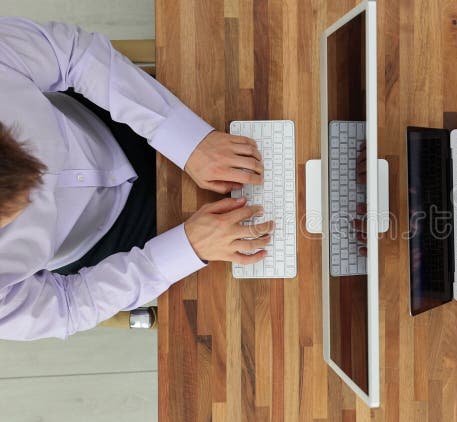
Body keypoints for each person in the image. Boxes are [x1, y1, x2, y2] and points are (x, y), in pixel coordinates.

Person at [0, 18, 273, 341]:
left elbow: (73, 55)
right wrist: (187, 248)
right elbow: (68, 306)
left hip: (121, 117)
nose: (42, 196)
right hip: (116, 246)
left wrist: (188, 139)